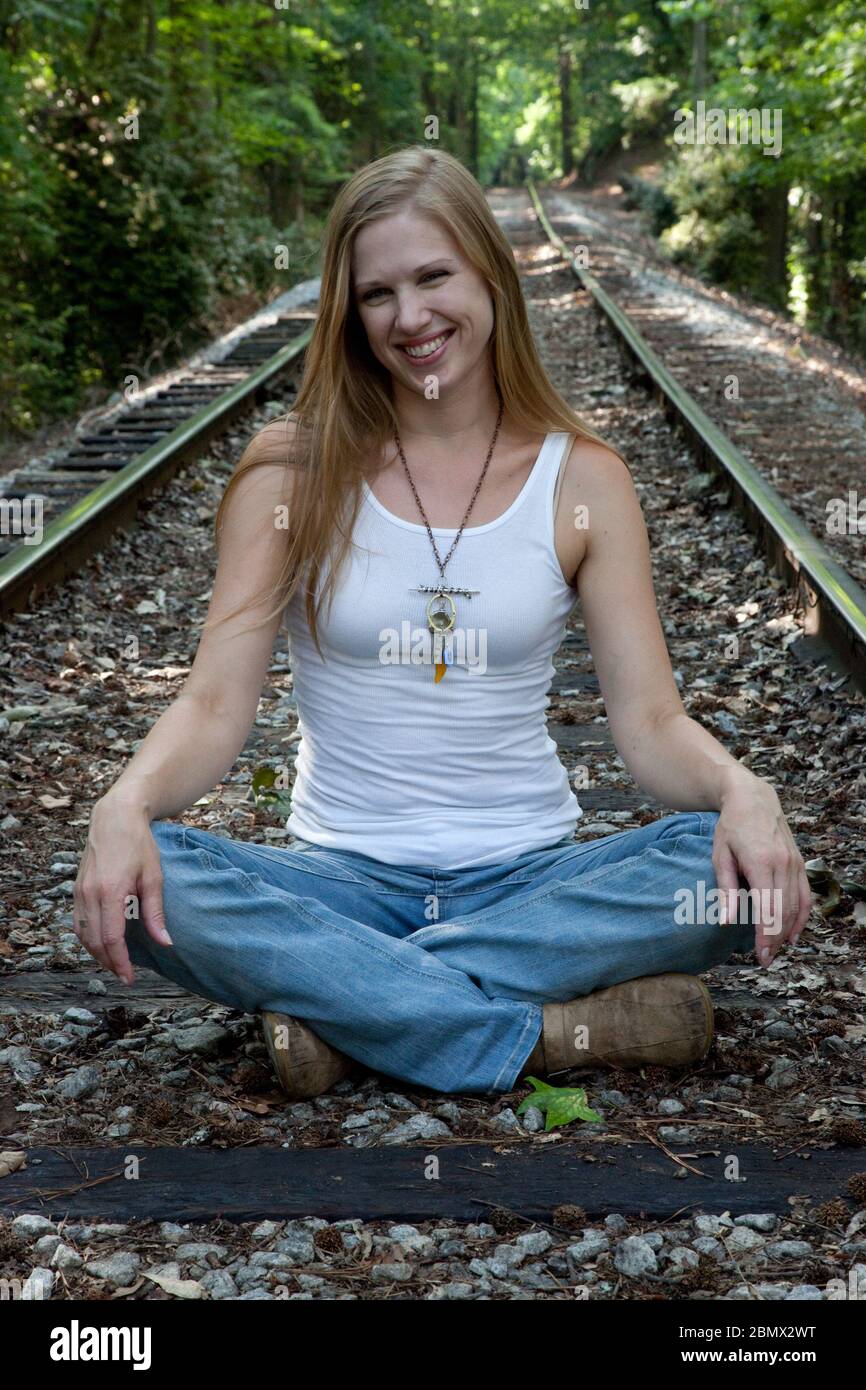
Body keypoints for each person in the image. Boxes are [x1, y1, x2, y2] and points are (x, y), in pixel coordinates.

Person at [73, 146, 810, 1101]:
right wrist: (124, 804)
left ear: (491, 278)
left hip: (530, 883)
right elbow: (215, 706)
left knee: (729, 869)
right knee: (134, 884)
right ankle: (541, 1032)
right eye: (377, 293)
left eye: (434, 277)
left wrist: (742, 787)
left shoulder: (582, 480)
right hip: (338, 883)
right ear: (348, 312)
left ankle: (352, 999)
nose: (411, 317)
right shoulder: (290, 474)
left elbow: (652, 726)